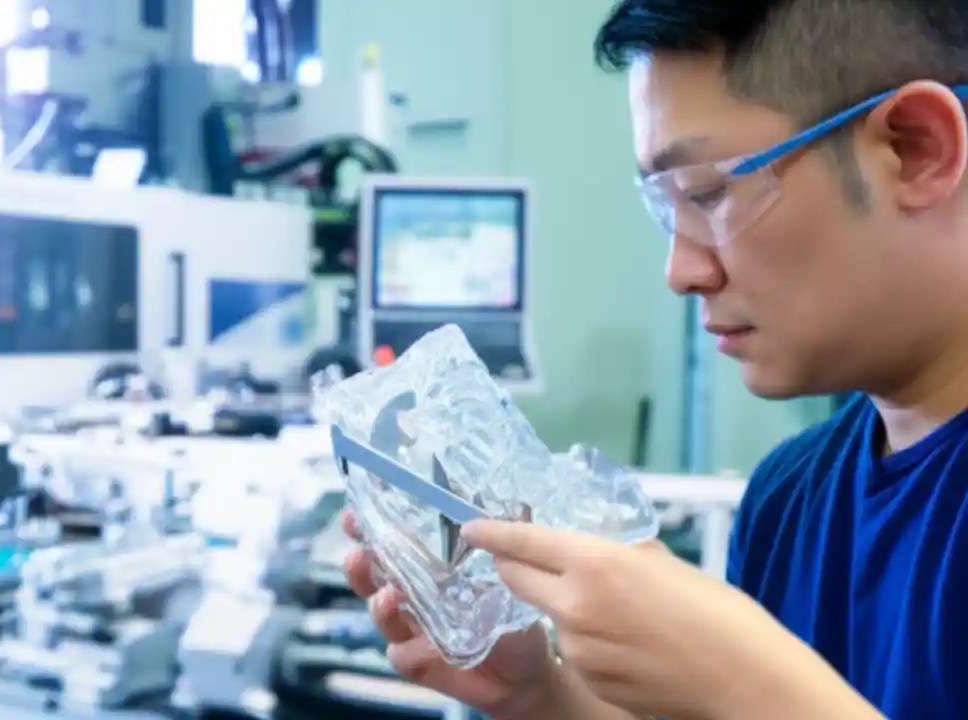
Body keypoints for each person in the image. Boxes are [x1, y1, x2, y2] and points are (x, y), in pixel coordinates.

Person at [341, 0, 968, 717]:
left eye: (709, 192)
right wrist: (540, 695)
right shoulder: (790, 496)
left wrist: (743, 682)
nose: (683, 272)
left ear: (916, 149)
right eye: (667, 206)